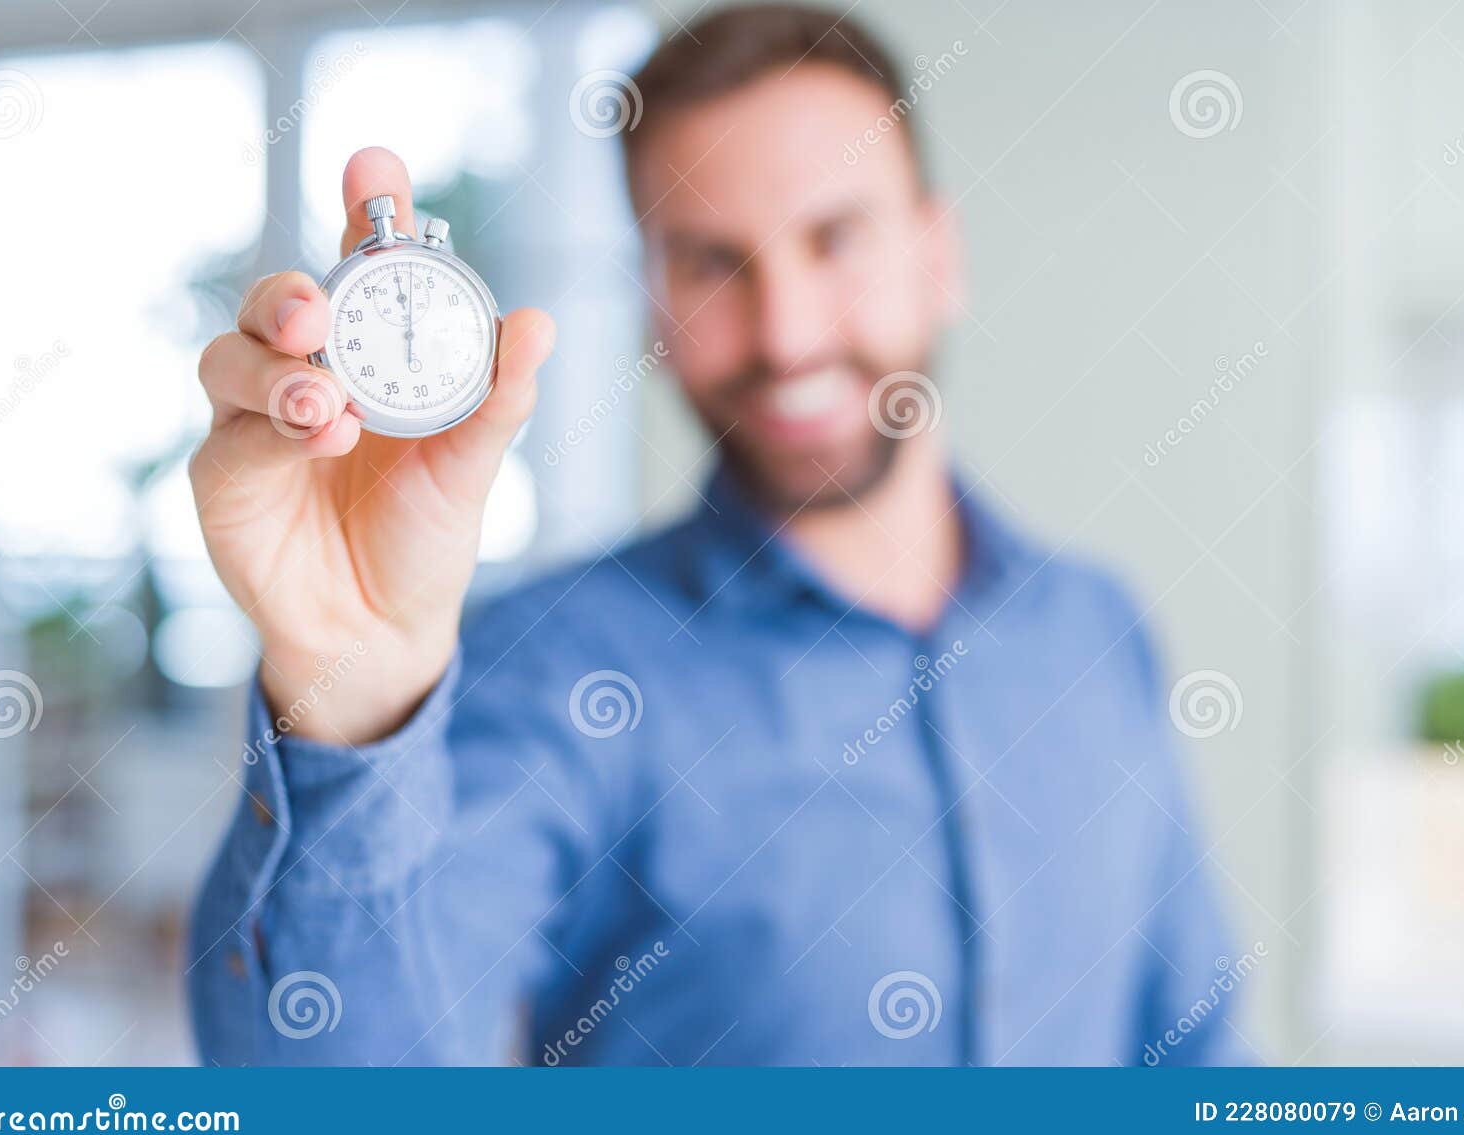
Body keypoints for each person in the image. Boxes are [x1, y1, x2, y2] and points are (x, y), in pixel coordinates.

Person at [187, 2, 1249, 1066]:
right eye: (708, 261)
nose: (785, 333)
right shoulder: (551, 671)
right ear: (652, 300)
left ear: (939, 255)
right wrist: (352, 695)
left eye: (835, 238)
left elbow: (1196, 1057)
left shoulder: (1093, 630)